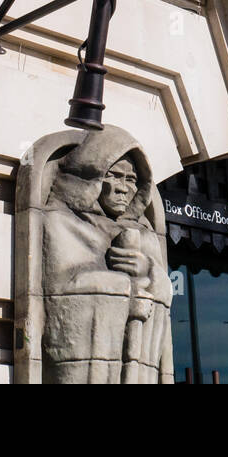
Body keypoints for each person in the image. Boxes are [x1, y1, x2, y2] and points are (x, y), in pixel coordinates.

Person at [40, 128, 173, 383]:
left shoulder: (144, 236)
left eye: (132, 179)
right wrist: (125, 290)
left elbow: (165, 294)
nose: (124, 188)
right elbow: (58, 291)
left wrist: (149, 271)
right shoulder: (60, 222)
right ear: (92, 176)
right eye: (116, 176)